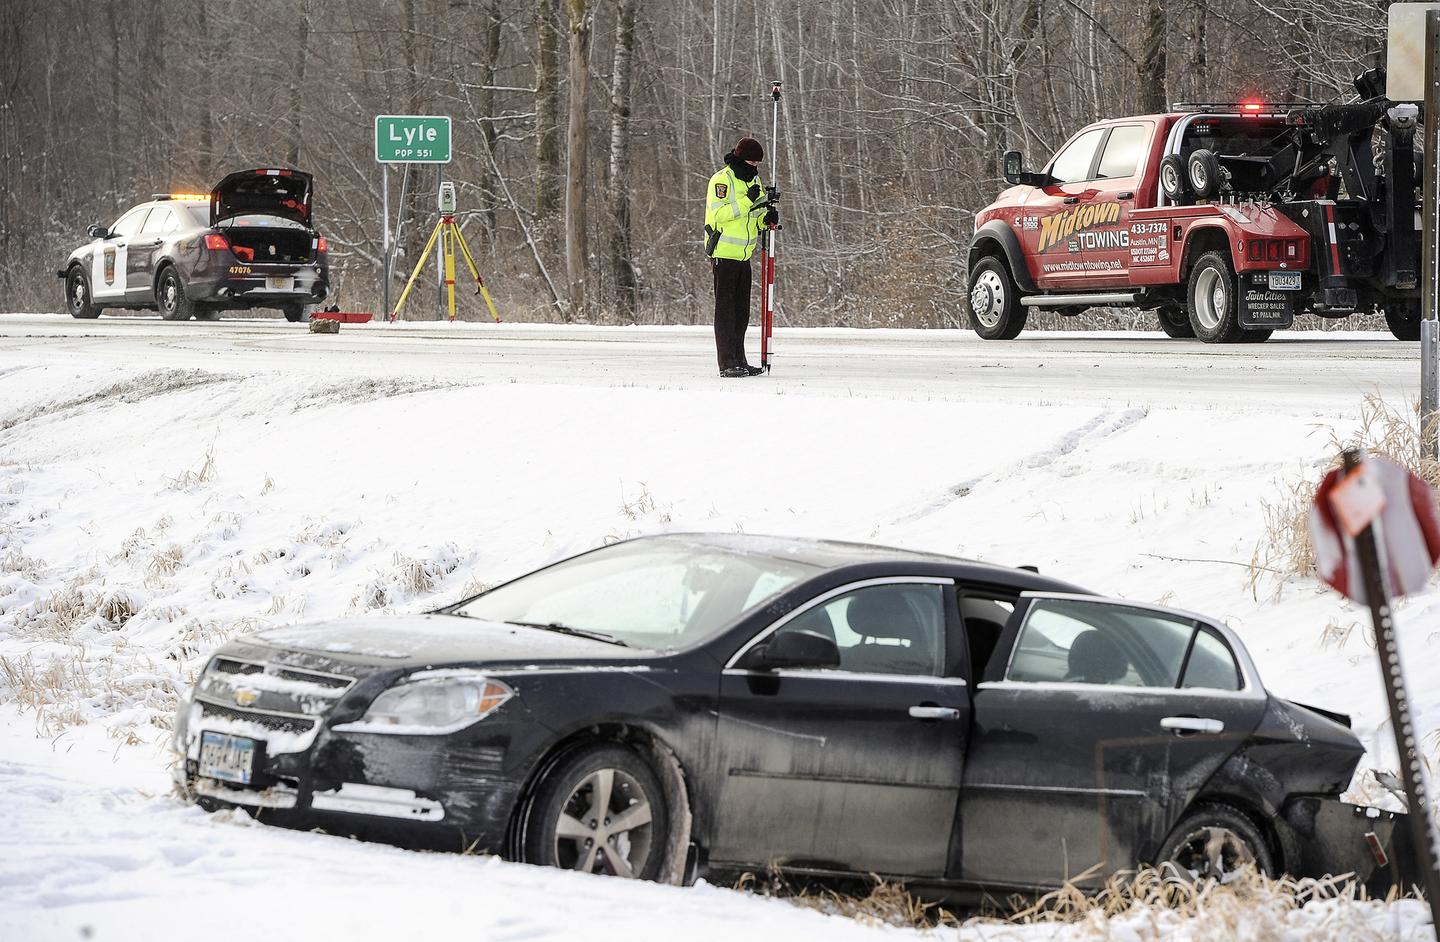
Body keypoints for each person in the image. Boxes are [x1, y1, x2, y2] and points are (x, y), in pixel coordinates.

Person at [704, 137, 779, 377]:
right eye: (751, 163)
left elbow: (753, 215)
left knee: (741, 313)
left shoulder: (753, 179)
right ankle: (727, 363)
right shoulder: (721, 180)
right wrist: (747, 200)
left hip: (744, 253)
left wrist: (765, 218)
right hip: (724, 253)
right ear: (740, 159)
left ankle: (740, 359)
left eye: (758, 164)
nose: (754, 168)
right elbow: (722, 214)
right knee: (725, 312)